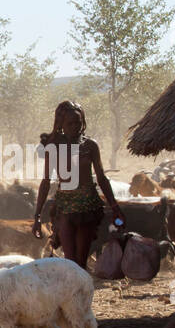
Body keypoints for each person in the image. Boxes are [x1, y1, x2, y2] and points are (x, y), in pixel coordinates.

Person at [31, 101, 125, 269]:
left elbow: (102, 178)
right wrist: (37, 216)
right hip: (65, 206)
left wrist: (115, 206)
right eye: (70, 123)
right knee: (70, 260)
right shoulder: (54, 147)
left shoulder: (90, 146)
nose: (75, 127)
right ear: (61, 125)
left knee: (81, 260)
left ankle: (81, 292)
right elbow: (46, 182)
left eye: (78, 123)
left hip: (87, 207)